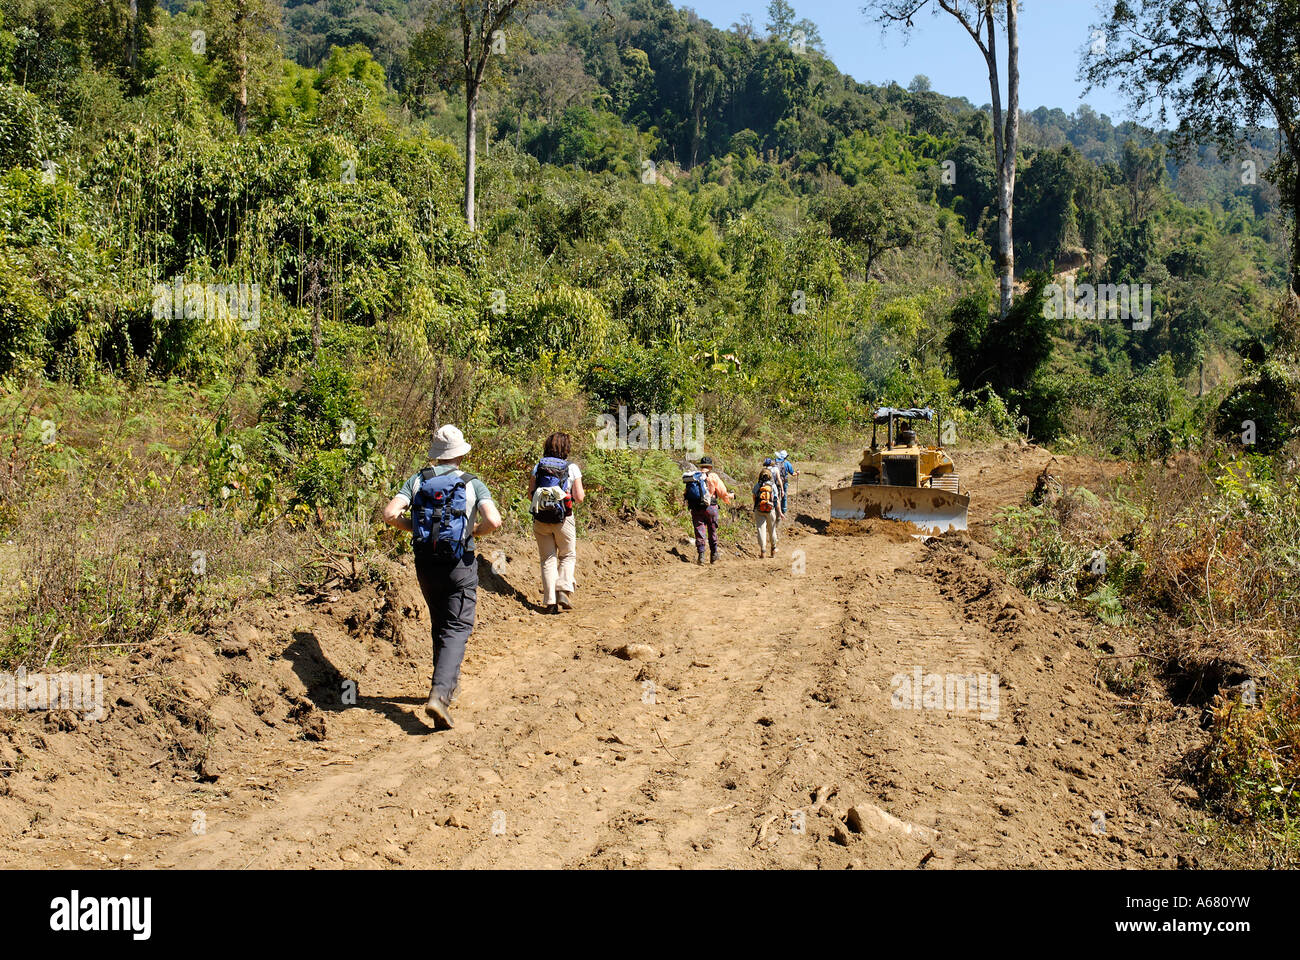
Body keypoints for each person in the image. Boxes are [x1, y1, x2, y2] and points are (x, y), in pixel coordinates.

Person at [382, 424, 502, 730]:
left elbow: (390, 514)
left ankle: (444, 686)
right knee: (458, 627)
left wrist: (414, 530)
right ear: (460, 454)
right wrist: (474, 532)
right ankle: (440, 695)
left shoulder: (418, 480)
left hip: (425, 563)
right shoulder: (472, 483)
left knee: (440, 622)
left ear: (437, 455)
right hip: (459, 563)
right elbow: (494, 520)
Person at [527, 432, 585, 615]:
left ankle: (550, 600)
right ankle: (563, 588)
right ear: (566, 448)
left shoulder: (538, 467)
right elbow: (579, 497)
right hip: (563, 519)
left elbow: (530, 494)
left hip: (541, 519)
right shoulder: (572, 468)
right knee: (567, 555)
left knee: (547, 559)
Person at [684, 455, 733, 564]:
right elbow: (722, 493)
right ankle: (714, 554)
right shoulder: (713, 476)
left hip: (696, 508)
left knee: (699, 530)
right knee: (712, 530)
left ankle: (701, 556)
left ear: (701, 466)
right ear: (710, 467)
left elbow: (686, 493)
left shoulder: (694, 477)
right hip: (711, 507)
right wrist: (729, 497)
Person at [753, 458, 785, 559]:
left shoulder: (757, 485)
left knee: (761, 530)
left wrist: (756, 506)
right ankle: (773, 549)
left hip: (759, 510)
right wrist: (780, 512)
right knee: (772, 530)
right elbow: (777, 500)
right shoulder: (773, 486)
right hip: (770, 510)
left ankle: (763, 551)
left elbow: (754, 497)